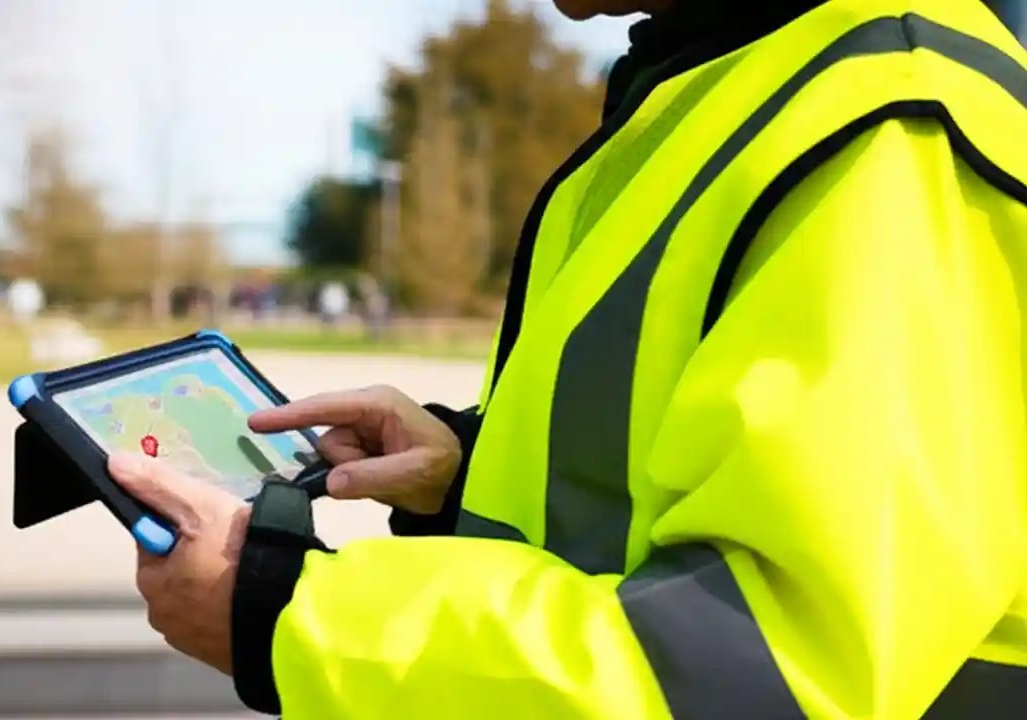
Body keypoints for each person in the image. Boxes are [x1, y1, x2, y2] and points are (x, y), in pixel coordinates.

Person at [105, 0, 1027, 716]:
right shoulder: (731, 84)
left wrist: (289, 620)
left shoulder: (887, 129)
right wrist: (463, 475)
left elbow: (770, 670)